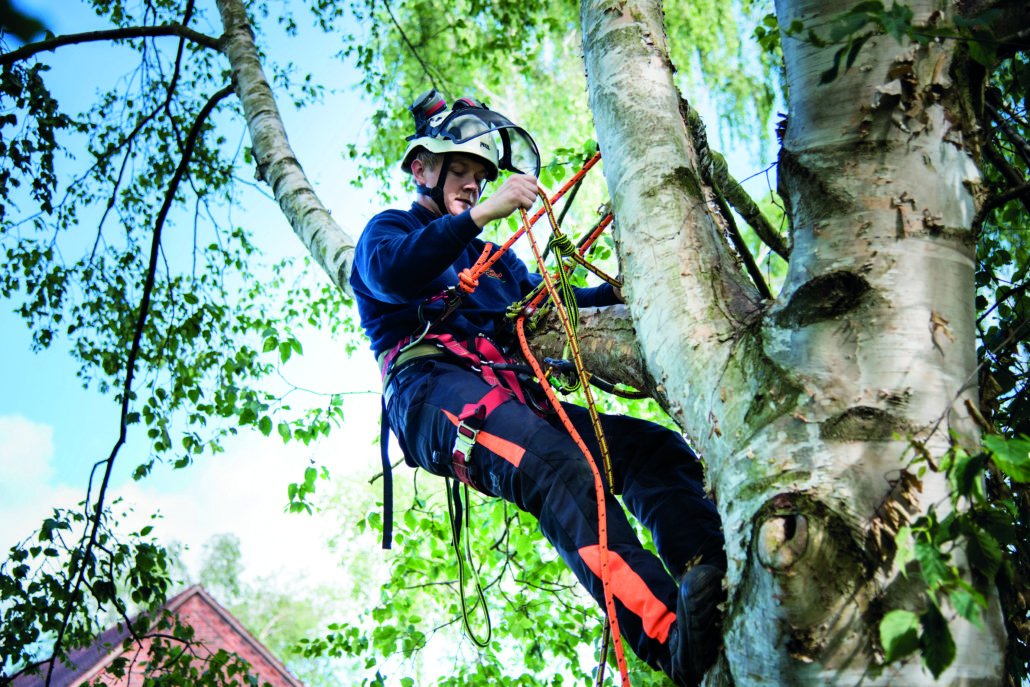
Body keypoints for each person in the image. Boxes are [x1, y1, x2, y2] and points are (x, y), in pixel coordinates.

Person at [350, 91, 728, 686]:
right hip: (432, 395)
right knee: (557, 471)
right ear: (422, 170)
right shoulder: (390, 231)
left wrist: (621, 290)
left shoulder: (494, 260)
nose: (474, 184)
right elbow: (394, 273)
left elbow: (551, 304)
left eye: (482, 177)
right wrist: (479, 215)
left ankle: (715, 579)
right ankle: (666, 633)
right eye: (461, 170)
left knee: (650, 451)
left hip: (511, 397)